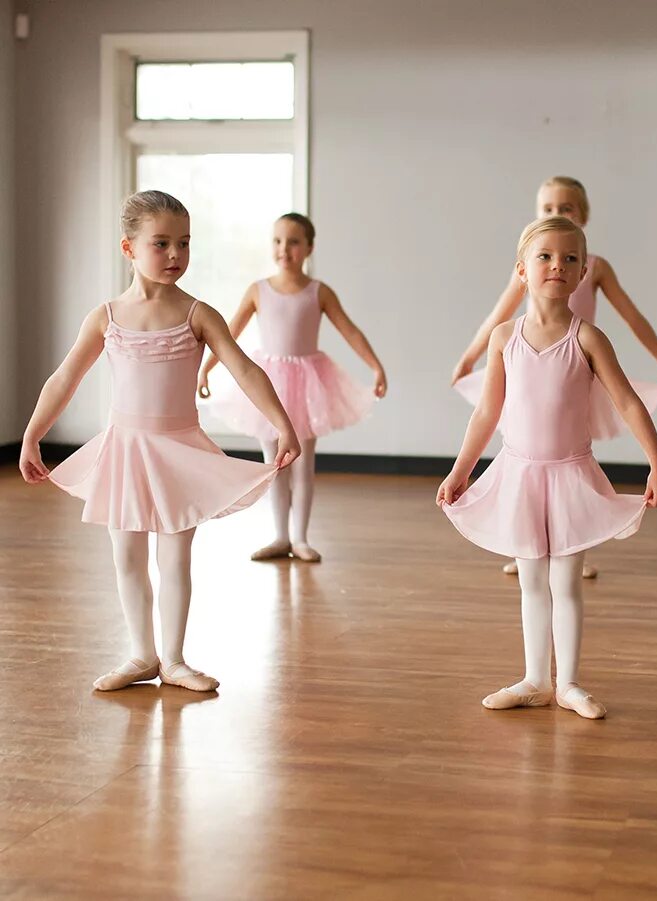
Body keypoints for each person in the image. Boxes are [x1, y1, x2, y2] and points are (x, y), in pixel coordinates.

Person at [19, 190, 301, 691]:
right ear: (128, 248)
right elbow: (64, 378)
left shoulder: (198, 314)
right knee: (126, 556)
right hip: (124, 450)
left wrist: (282, 424)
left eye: (184, 243)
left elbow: (244, 369)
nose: (176, 254)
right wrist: (32, 435)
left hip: (180, 450)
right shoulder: (106, 316)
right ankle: (141, 656)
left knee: (174, 557)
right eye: (162, 243)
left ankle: (173, 660)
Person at [437, 216, 657, 719]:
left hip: (571, 475)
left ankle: (568, 684)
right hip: (518, 475)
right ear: (522, 269)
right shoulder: (504, 337)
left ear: (583, 272)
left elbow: (628, 402)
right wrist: (461, 471)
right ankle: (534, 680)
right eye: (545, 256)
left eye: (569, 258)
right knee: (530, 582)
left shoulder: (588, 338)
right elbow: (487, 412)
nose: (557, 265)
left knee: (565, 582)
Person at [451, 175, 657, 579]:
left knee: (570, 456)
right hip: (531, 365)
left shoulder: (595, 268)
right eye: (549, 209)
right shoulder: (531, 266)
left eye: (566, 208)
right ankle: (526, 539)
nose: (557, 214)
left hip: (578, 365)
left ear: (583, 216)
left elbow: (632, 315)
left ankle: (574, 541)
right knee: (529, 451)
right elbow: (499, 314)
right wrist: (470, 355)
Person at [199, 213, 387, 562]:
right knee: (274, 464)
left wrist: (375, 366)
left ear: (309, 248)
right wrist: (207, 369)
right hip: (267, 385)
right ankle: (280, 537)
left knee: (303, 465)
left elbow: (350, 330)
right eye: (278, 241)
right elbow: (228, 333)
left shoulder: (319, 292)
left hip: (308, 386)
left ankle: (300, 538)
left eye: (294, 242)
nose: (284, 249)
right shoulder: (258, 290)